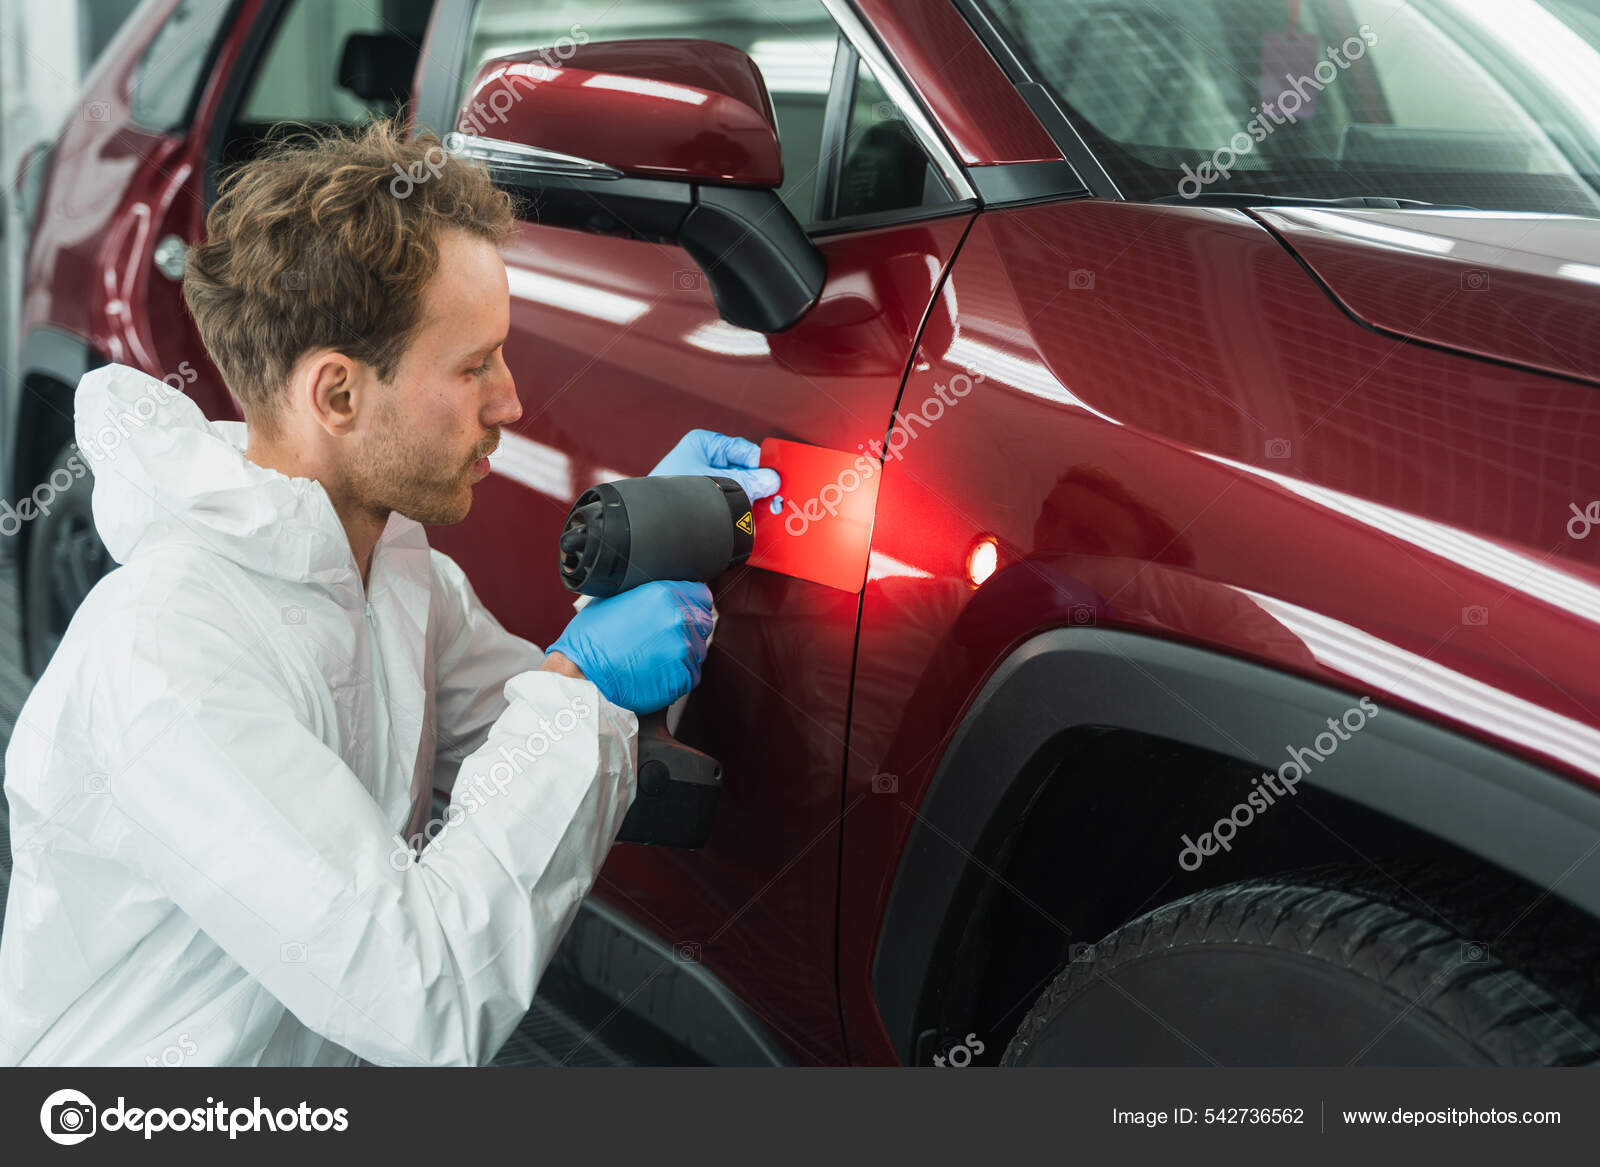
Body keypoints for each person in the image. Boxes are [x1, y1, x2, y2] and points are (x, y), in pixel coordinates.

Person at [0, 119, 777, 1066]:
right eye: (472, 364)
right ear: (336, 396)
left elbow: (531, 758)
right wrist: (582, 680)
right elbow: (423, 998)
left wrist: (642, 552)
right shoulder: (168, 654)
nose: (510, 401)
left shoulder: (398, 578)